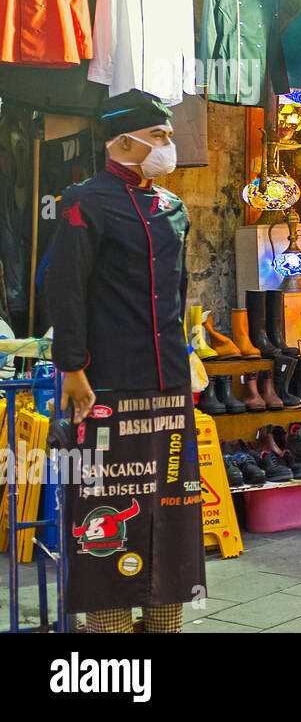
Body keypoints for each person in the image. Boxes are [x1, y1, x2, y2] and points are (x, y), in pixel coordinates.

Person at [45, 89, 204, 634]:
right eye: (159, 136)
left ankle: (164, 625)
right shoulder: (82, 201)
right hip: (107, 386)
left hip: (168, 385)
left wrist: (188, 355)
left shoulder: (173, 207)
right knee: (104, 508)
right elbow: (64, 288)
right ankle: (109, 631)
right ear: (123, 142)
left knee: (172, 513)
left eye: (168, 135)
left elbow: (177, 290)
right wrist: (72, 367)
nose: (168, 145)